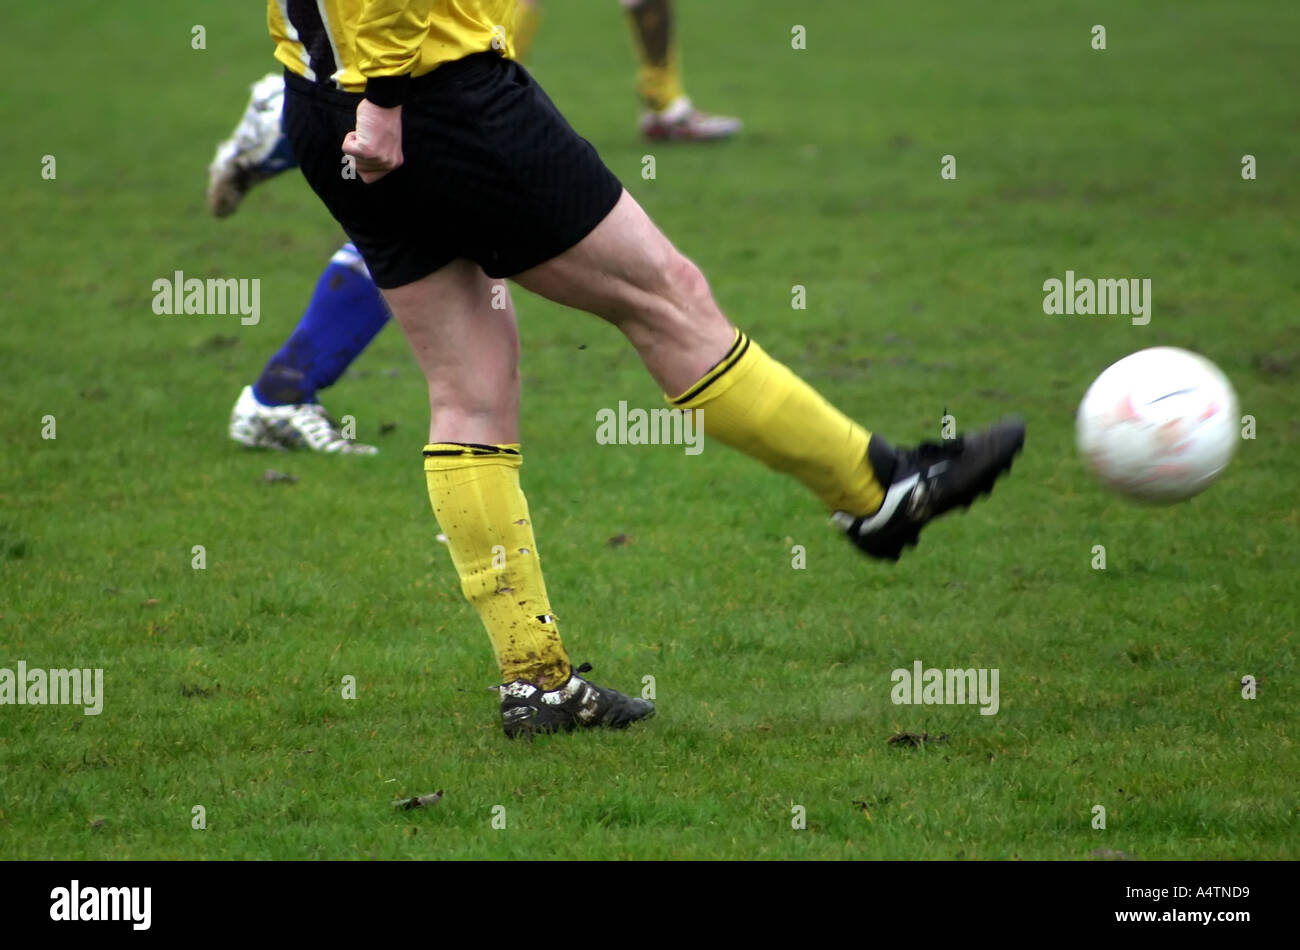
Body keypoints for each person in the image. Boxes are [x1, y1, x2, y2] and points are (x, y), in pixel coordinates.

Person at [267, 0, 1025, 738]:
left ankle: (535, 680)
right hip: (429, 96)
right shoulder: (405, 91)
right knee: (669, 300)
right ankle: (875, 488)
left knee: (468, 389)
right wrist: (386, 99)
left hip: (319, 102)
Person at [215, 1, 740, 454]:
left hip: (420, 84)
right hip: (419, 87)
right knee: (438, 204)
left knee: (430, 222)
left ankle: (283, 389)